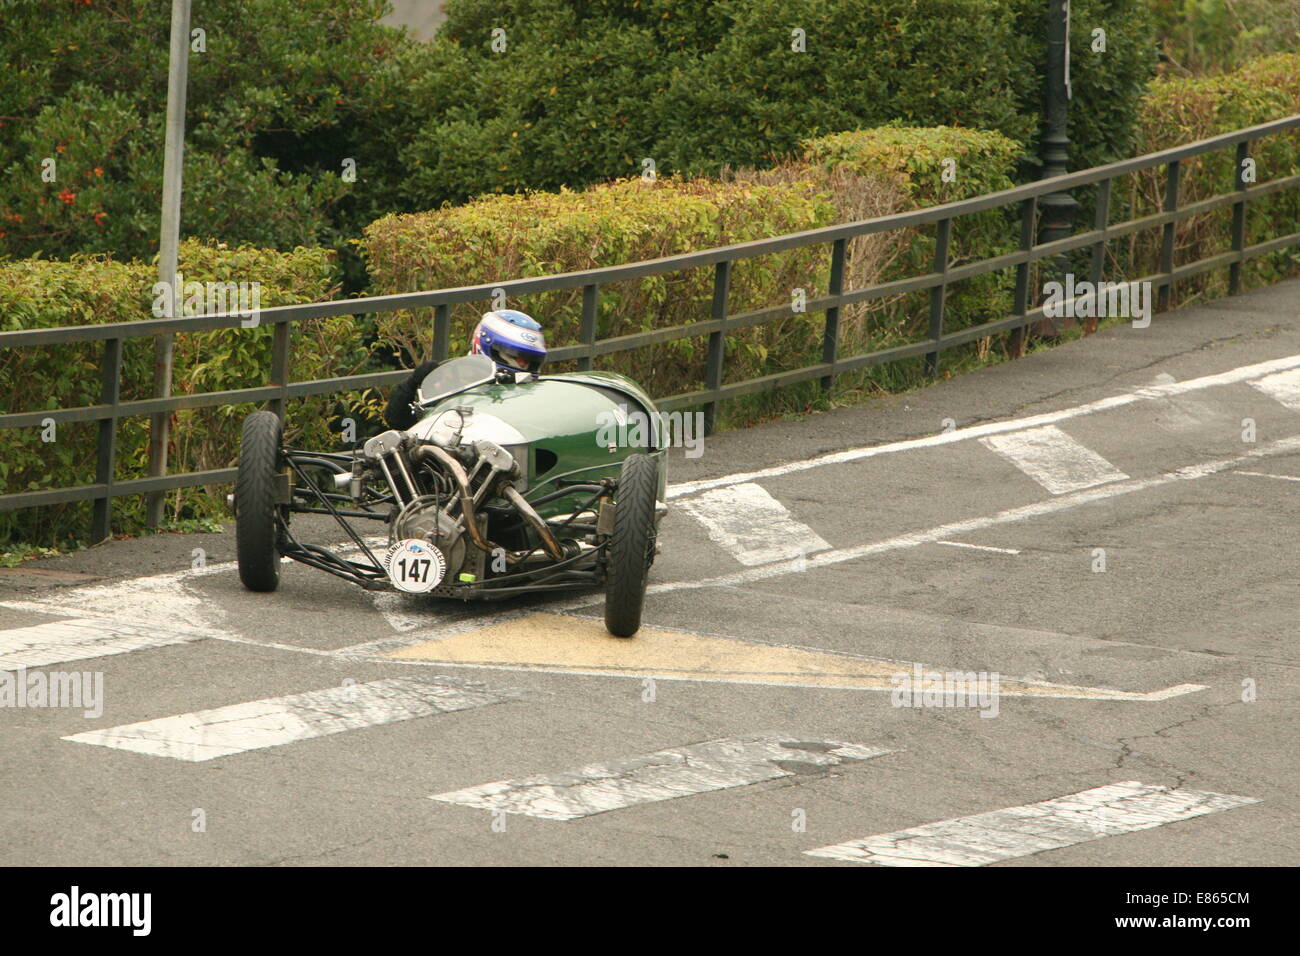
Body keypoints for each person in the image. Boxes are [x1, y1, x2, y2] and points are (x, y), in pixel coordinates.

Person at [383, 309, 547, 430]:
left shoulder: (533, 393)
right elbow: (398, 421)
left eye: (530, 359)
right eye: (515, 356)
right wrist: (412, 384)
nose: (523, 364)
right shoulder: (452, 377)